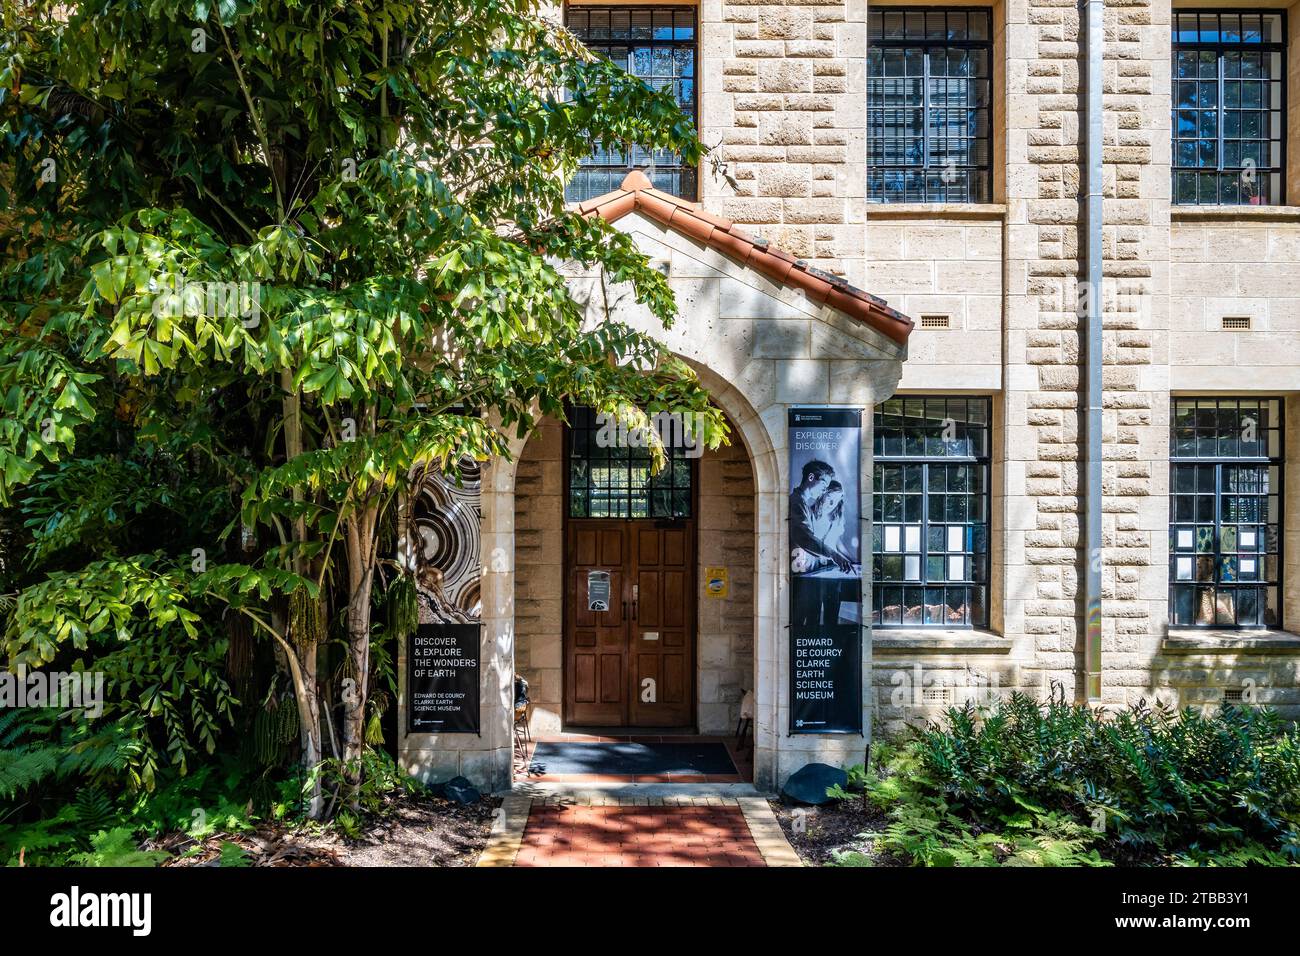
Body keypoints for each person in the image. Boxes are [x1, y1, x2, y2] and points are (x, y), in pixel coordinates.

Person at [790, 460, 852, 573]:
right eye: (824, 484)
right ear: (811, 477)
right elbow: (806, 538)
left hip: (807, 572)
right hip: (799, 575)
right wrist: (834, 555)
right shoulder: (795, 503)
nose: (824, 490)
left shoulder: (804, 506)